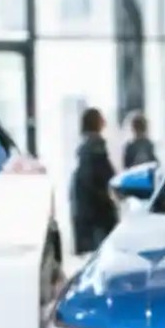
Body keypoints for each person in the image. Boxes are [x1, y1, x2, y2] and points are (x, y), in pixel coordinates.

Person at [70, 107, 118, 254]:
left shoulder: (84, 148)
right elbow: (104, 178)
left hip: (84, 211)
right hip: (97, 213)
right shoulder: (96, 147)